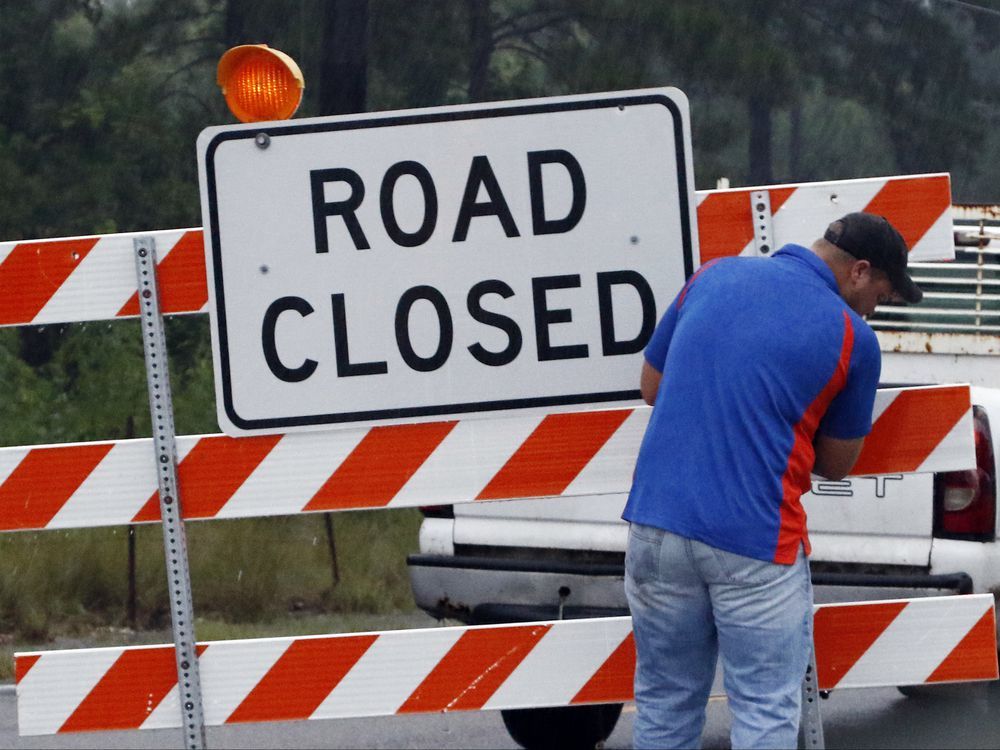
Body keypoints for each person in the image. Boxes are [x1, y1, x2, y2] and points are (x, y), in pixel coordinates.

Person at [622, 212, 922, 749]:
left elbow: (651, 386)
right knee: (764, 710)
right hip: (756, 540)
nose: (877, 307)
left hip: (655, 525)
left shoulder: (711, 275)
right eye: (882, 292)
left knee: (665, 702)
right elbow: (835, 463)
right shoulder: (853, 338)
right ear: (859, 271)